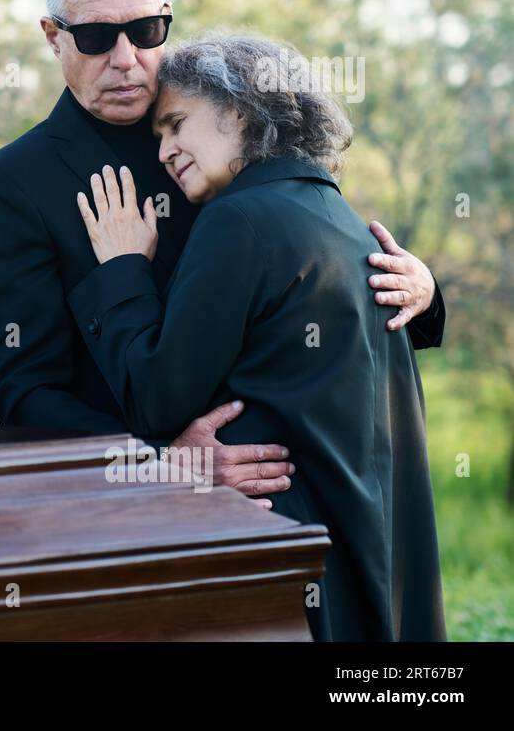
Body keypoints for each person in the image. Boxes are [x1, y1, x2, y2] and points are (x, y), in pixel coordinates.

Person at [0, 0, 446, 504]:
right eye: (96, 36)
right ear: (53, 36)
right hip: (122, 514)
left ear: (166, 20)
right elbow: (25, 391)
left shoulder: (227, 126)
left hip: (297, 499)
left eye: (145, 31)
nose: (126, 59)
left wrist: (418, 289)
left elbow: (310, 263)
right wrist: (158, 462)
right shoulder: (10, 184)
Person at [72, 34, 446, 641]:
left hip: (286, 556)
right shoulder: (341, 219)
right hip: (374, 562)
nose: (165, 150)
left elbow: (159, 400)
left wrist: (121, 271)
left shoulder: (237, 220)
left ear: (240, 110)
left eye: (176, 124)